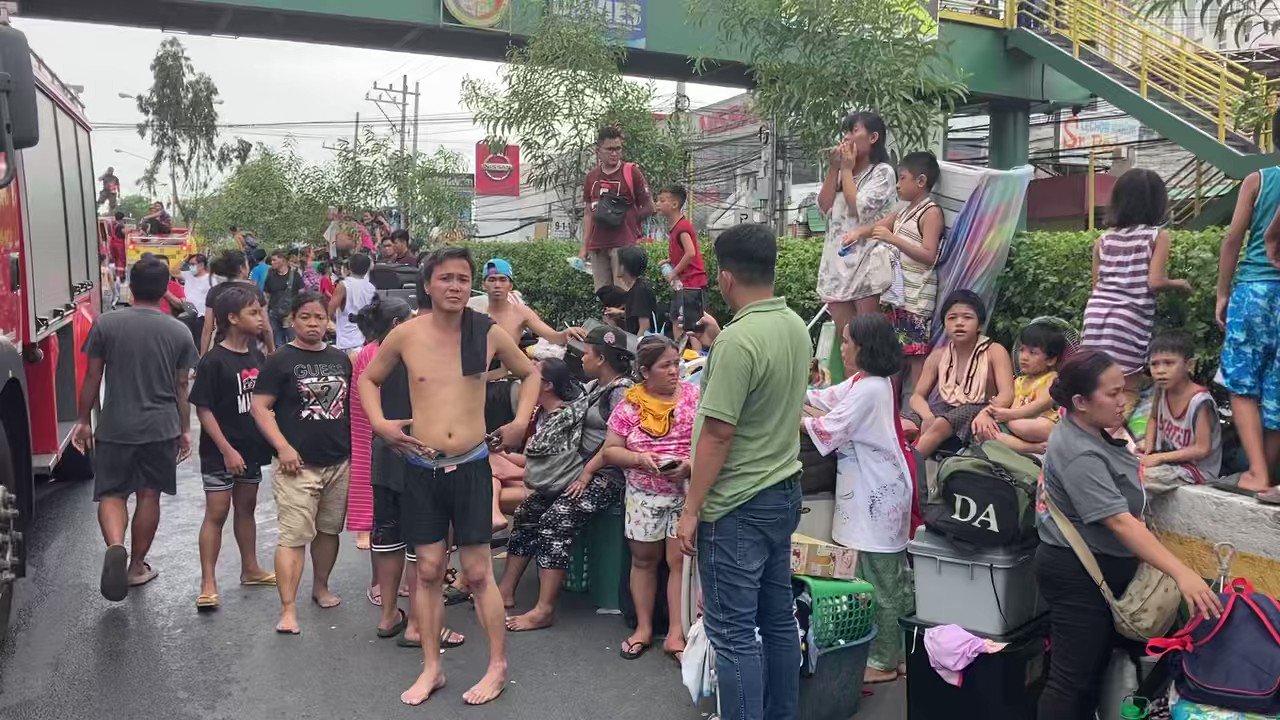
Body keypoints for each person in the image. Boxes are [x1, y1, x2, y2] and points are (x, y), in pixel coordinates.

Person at [358, 246, 541, 706]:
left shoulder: (486, 332)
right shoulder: (406, 335)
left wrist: (520, 421)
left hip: (472, 465)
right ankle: (432, 668)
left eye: (463, 278)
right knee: (429, 572)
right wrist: (381, 425)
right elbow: (368, 379)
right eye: (446, 278)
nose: (455, 286)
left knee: (478, 573)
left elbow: (531, 373)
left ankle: (497, 667)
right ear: (428, 284)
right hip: (422, 468)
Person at [1035, 349, 1222, 720]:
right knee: (1070, 682)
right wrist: (1182, 573)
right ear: (1080, 402)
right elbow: (1120, 522)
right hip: (1077, 574)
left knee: (1092, 674)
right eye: (1112, 393)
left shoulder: (1093, 431)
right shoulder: (1078, 451)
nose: (1123, 400)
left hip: (1100, 570)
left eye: (1124, 390)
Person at [675, 223, 812, 720]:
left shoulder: (738, 341)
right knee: (777, 620)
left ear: (726, 277)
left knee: (731, 634)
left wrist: (691, 509)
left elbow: (718, 434)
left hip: (736, 504)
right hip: (782, 491)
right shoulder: (795, 326)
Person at [71, 257, 199, 601]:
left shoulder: (107, 324)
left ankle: (116, 545)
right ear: (164, 289)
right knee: (148, 494)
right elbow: (181, 386)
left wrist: (82, 421)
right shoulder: (179, 331)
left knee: (112, 493)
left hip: (115, 425)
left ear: (130, 285)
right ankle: (137, 565)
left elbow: (93, 376)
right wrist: (185, 429)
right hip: (160, 427)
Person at [801, 314, 915, 683]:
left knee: (880, 583)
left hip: (877, 495)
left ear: (864, 347)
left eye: (847, 341)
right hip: (872, 490)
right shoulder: (864, 381)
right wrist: (797, 394)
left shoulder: (870, 388)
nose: (842, 348)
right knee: (883, 579)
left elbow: (828, 428)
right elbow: (823, 398)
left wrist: (792, 414)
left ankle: (883, 662)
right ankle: (897, 655)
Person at [501, 325, 634, 631]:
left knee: (555, 520)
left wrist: (587, 473)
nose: (582, 359)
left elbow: (616, 443)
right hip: (578, 472)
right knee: (528, 511)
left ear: (601, 358)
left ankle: (544, 610)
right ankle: (505, 590)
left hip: (606, 476)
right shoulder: (594, 387)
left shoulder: (621, 393)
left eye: (586, 354)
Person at [251, 291, 352, 634]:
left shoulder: (340, 358)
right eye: (305, 317)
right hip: (296, 466)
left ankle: (321, 587)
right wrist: (283, 447)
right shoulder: (279, 360)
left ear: (328, 321)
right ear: (292, 320)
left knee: (328, 531)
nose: (313, 323)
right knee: (293, 537)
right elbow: (260, 408)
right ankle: (288, 609)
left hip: (338, 462)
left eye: (319, 317)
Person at [600, 335, 698, 661]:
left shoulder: (695, 398)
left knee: (679, 562)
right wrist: (640, 459)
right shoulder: (629, 405)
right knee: (643, 561)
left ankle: (675, 633)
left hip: (685, 496)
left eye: (676, 364)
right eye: (665, 365)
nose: (674, 371)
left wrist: (688, 466)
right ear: (645, 371)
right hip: (643, 496)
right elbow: (610, 451)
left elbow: (711, 444)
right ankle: (643, 628)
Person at [191, 285, 277, 610]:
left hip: (251, 448)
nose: (261, 318)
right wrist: (227, 450)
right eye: (253, 312)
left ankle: (250, 568)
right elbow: (203, 410)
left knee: (247, 508)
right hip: (220, 452)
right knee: (216, 512)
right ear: (232, 318)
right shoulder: (214, 361)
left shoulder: (256, 356)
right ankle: (208, 583)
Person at [1081, 169, 1191, 408]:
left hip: (1095, 316)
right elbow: (1155, 281)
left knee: (1095, 385)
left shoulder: (1103, 240)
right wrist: (1180, 284)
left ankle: (1089, 426)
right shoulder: (1157, 236)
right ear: (1157, 203)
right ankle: (1114, 430)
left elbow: (1096, 286)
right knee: (1126, 389)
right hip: (1129, 320)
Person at [842, 150, 943, 390]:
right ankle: (892, 405)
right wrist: (857, 233)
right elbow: (879, 226)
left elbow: (929, 255)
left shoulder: (930, 212)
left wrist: (892, 239)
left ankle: (916, 406)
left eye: (903, 178)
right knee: (893, 356)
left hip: (915, 299)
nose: (898, 185)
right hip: (896, 298)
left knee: (915, 357)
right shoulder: (904, 211)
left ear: (921, 181)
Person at [1222, 163, 1280, 499]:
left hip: (1255, 289)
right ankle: (1268, 472)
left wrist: (1222, 292)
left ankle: (1257, 471)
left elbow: (1233, 239)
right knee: (1276, 387)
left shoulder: (1258, 179)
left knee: (1242, 383)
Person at [477, 257, 585, 434]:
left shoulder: (520, 313)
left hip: (509, 383)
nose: (497, 285)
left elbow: (553, 337)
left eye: (502, 280)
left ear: (510, 285)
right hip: (480, 384)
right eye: (492, 280)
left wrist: (566, 333)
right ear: (483, 285)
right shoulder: (475, 316)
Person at [815, 112, 898, 336]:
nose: (846, 137)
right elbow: (823, 206)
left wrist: (846, 169)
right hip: (836, 265)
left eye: (854, 131)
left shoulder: (882, 172)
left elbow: (857, 208)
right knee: (847, 338)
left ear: (873, 137)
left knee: (868, 339)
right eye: (845, 132)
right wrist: (834, 168)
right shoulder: (842, 172)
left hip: (866, 265)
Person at [907, 290, 1015, 457]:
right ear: (944, 323)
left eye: (967, 317)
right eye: (952, 318)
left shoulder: (994, 351)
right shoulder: (938, 356)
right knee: (905, 423)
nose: (959, 323)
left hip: (981, 409)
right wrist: (927, 417)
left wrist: (987, 413)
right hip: (945, 409)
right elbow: (917, 397)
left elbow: (1007, 394)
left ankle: (907, 468)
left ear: (979, 324)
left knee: (940, 425)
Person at [1141, 331, 1222, 492]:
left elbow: (1202, 448)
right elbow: (1154, 419)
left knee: (1144, 478)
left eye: (1169, 363)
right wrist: (1148, 450)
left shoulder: (1200, 401)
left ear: (1189, 365)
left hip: (1195, 469)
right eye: (1154, 364)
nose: (1160, 370)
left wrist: (1160, 457)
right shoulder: (1161, 390)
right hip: (1167, 461)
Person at [581, 125, 655, 290]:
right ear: (598, 150)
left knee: (624, 294)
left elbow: (649, 206)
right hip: (597, 246)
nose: (614, 153)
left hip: (623, 246)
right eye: (609, 149)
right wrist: (584, 247)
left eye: (618, 149)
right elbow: (588, 213)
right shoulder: (591, 177)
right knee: (604, 294)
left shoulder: (631, 172)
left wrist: (628, 220)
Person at [986, 321, 1068, 455]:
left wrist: (1008, 416)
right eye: (1022, 350)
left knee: (1039, 426)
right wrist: (996, 408)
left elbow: (1040, 404)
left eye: (1032, 352)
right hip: (1015, 424)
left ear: (1051, 359)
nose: (1024, 357)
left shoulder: (1052, 379)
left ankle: (1017, 436)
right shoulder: (1018, 381)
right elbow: (1011, 403)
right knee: (991, 434)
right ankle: (1031, 448)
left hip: (1039, 423)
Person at [657, 184, 707, 337]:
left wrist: (674, 272)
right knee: (676, 319)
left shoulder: (682, 227)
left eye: (662, 200)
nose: (658, 204)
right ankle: (679, 350)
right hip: (684, 284)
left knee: (693, 325)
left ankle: (694, 351)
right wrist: (669, 260)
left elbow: (690, 253)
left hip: (692, 283)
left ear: (674, 204)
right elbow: (684, 252)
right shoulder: (676, 226)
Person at [201, 249, 272, 356]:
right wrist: (271, 351)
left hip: (221, 349)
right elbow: (265, 328)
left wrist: (203, 356)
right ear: (242, 269)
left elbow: (207, 329)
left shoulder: (214, 291)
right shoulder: (254, 292)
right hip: (251, 350)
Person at [330, 252, 377, 352]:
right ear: (367, 269)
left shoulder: (344, 285)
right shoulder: (371, 288)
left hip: (346, 342)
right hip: (364, 343)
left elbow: (329, 311)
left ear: (349, 266)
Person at [264, 250, 302, 347]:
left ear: (282, 260)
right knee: (277, 344)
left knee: (293, 342)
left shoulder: (295, 275)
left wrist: (298, 313)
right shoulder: (270, 276)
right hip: (274, 315)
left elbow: (301, 295)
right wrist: (264, 314)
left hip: (290, 315)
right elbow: (266, 296)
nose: (272, 262)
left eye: (274, 260)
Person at [618, 246, 657, 336]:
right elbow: (638, 315)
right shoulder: (637, 287)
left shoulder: (640, 291)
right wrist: (620, 313)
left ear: (625, 267)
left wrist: (636, 344)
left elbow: (644, 328)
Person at [182, 253, 212, 347]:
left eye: (193, 264)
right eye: (189, 264)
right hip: (187, 313)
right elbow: (173, 272)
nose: (190, 267)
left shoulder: (210, 279)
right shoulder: (188, 275)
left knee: (198, 343)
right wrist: (184, 260)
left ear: (201, 265)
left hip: (201, 317)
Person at [108, 211, 128, 281]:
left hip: (113, 244)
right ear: (122, 218)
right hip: (119, 244)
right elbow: (124, 232)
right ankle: (120, 276)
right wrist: (130, 230)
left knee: (115, 259)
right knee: (121, 260)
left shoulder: (113, 224)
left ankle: (115, 275)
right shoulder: (120, 225)